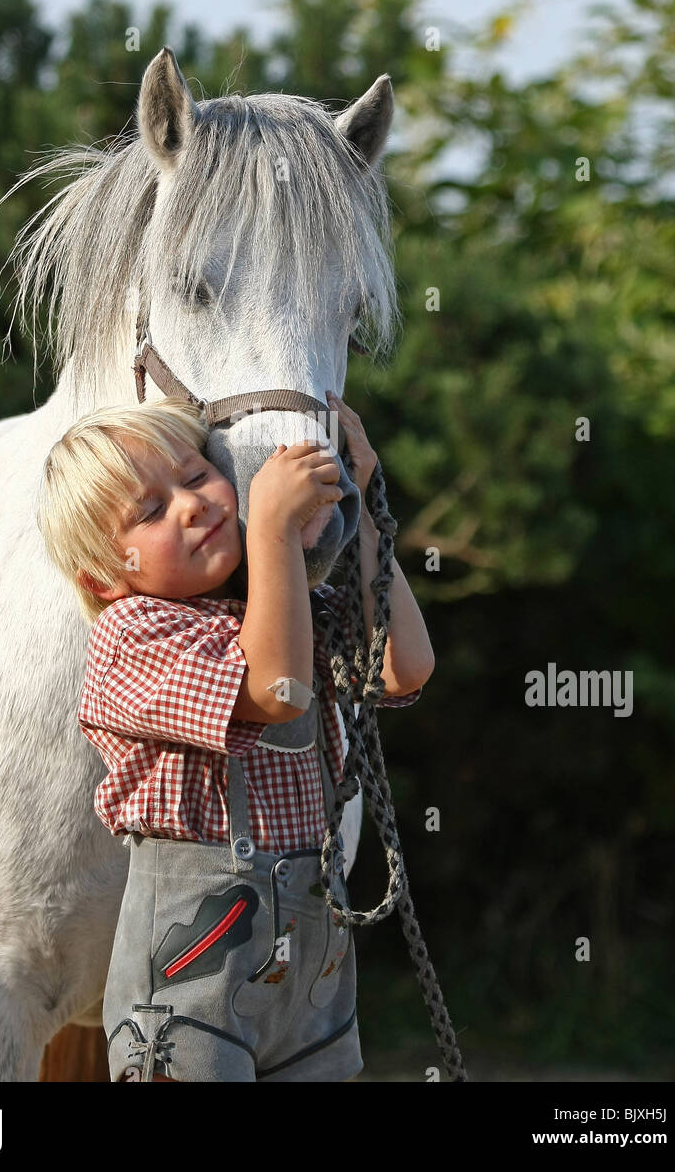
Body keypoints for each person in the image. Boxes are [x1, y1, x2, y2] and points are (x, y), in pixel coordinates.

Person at [36, 392, 435, 1082]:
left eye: (195, 476)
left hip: (313, 978)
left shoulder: (279, 613)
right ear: (105, 576)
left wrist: (365, 505)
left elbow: (402, 666)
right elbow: (275, 692)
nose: (190, 504)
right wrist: (273, 534)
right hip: (190, 985)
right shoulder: (131, 636)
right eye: (151, 511)